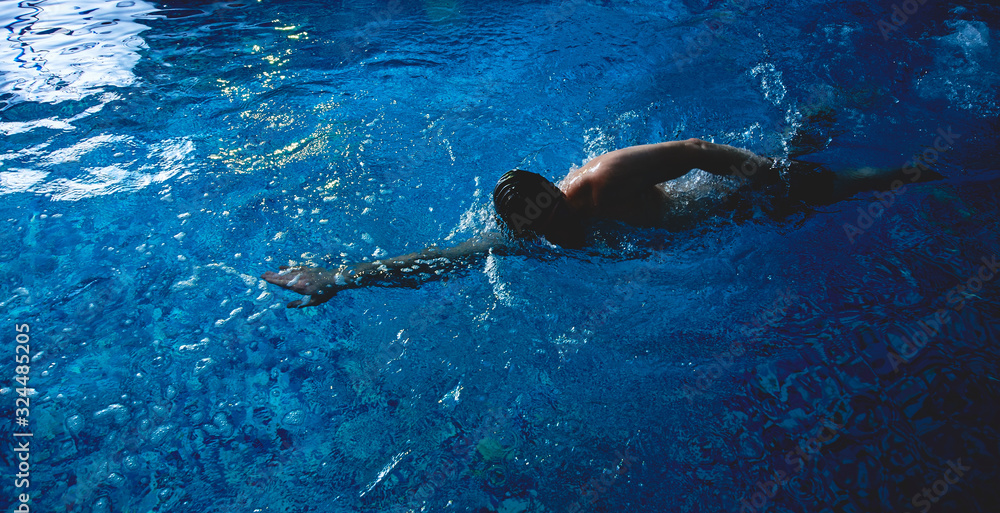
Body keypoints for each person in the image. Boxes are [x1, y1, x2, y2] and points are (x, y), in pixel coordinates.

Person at [262, 138, 939, 307]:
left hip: (731, 202)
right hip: (700, 233)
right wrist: (342, 277)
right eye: (537, 233)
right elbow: (444, 258)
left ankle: (915, 169)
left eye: (553, 222)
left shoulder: (604, 178)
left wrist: (763, 173)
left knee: (819, 186)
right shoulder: (527, 231)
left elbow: (698, 151)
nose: (551, 239)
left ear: (559, 198)